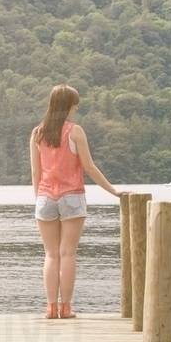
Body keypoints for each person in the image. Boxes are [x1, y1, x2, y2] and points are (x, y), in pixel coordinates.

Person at [29, 84, 120, 320]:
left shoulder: (37, 133)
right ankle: (66, 308)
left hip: (45, 197)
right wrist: (114, 192)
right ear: (69, 106)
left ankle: (50, 308)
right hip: (72, 196)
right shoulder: (75, 131)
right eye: (75, 105)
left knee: (51, 255)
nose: (76, 109)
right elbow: (89, 167)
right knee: (68, 253)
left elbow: (35, 173)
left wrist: (38, 198)